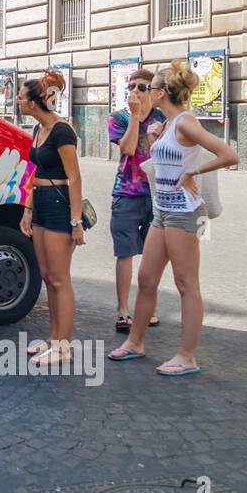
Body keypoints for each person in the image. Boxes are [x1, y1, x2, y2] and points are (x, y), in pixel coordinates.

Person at [107, 60, 239, 376]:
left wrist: (194, 171)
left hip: (184, 213)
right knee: (147, 279)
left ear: (162, 92)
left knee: (186, 284)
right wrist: (154, 140)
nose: (144, 93)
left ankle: (186, 356)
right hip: (161, 211)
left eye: (149, 88)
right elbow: (163, 162)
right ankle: (135, 343)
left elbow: (229, 155)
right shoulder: (167, 125)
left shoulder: (185, 123)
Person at [17, 70, 84, 367]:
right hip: (41, 203)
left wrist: (75, 220)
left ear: (33, 102)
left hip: (59, 205)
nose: (17, 100)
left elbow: (74, 176)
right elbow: (37, 172)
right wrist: (27, 209)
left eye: (20, 96)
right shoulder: (38, 130)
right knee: (47, 275)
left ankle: (63, 346)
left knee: (60, 278)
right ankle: (54, 338)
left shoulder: (61, 131)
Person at [108, 69, 164, 332]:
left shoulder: (163, 118)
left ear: (153, 91)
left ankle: (147, 308)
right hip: (126, 194)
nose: (137, 91)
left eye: (143, 87)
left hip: (155, 194)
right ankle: (123, 311)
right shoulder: (117, 118)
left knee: (153, 255)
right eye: (132, 87)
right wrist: (134, 116)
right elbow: (128, 148)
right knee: (125, 253)